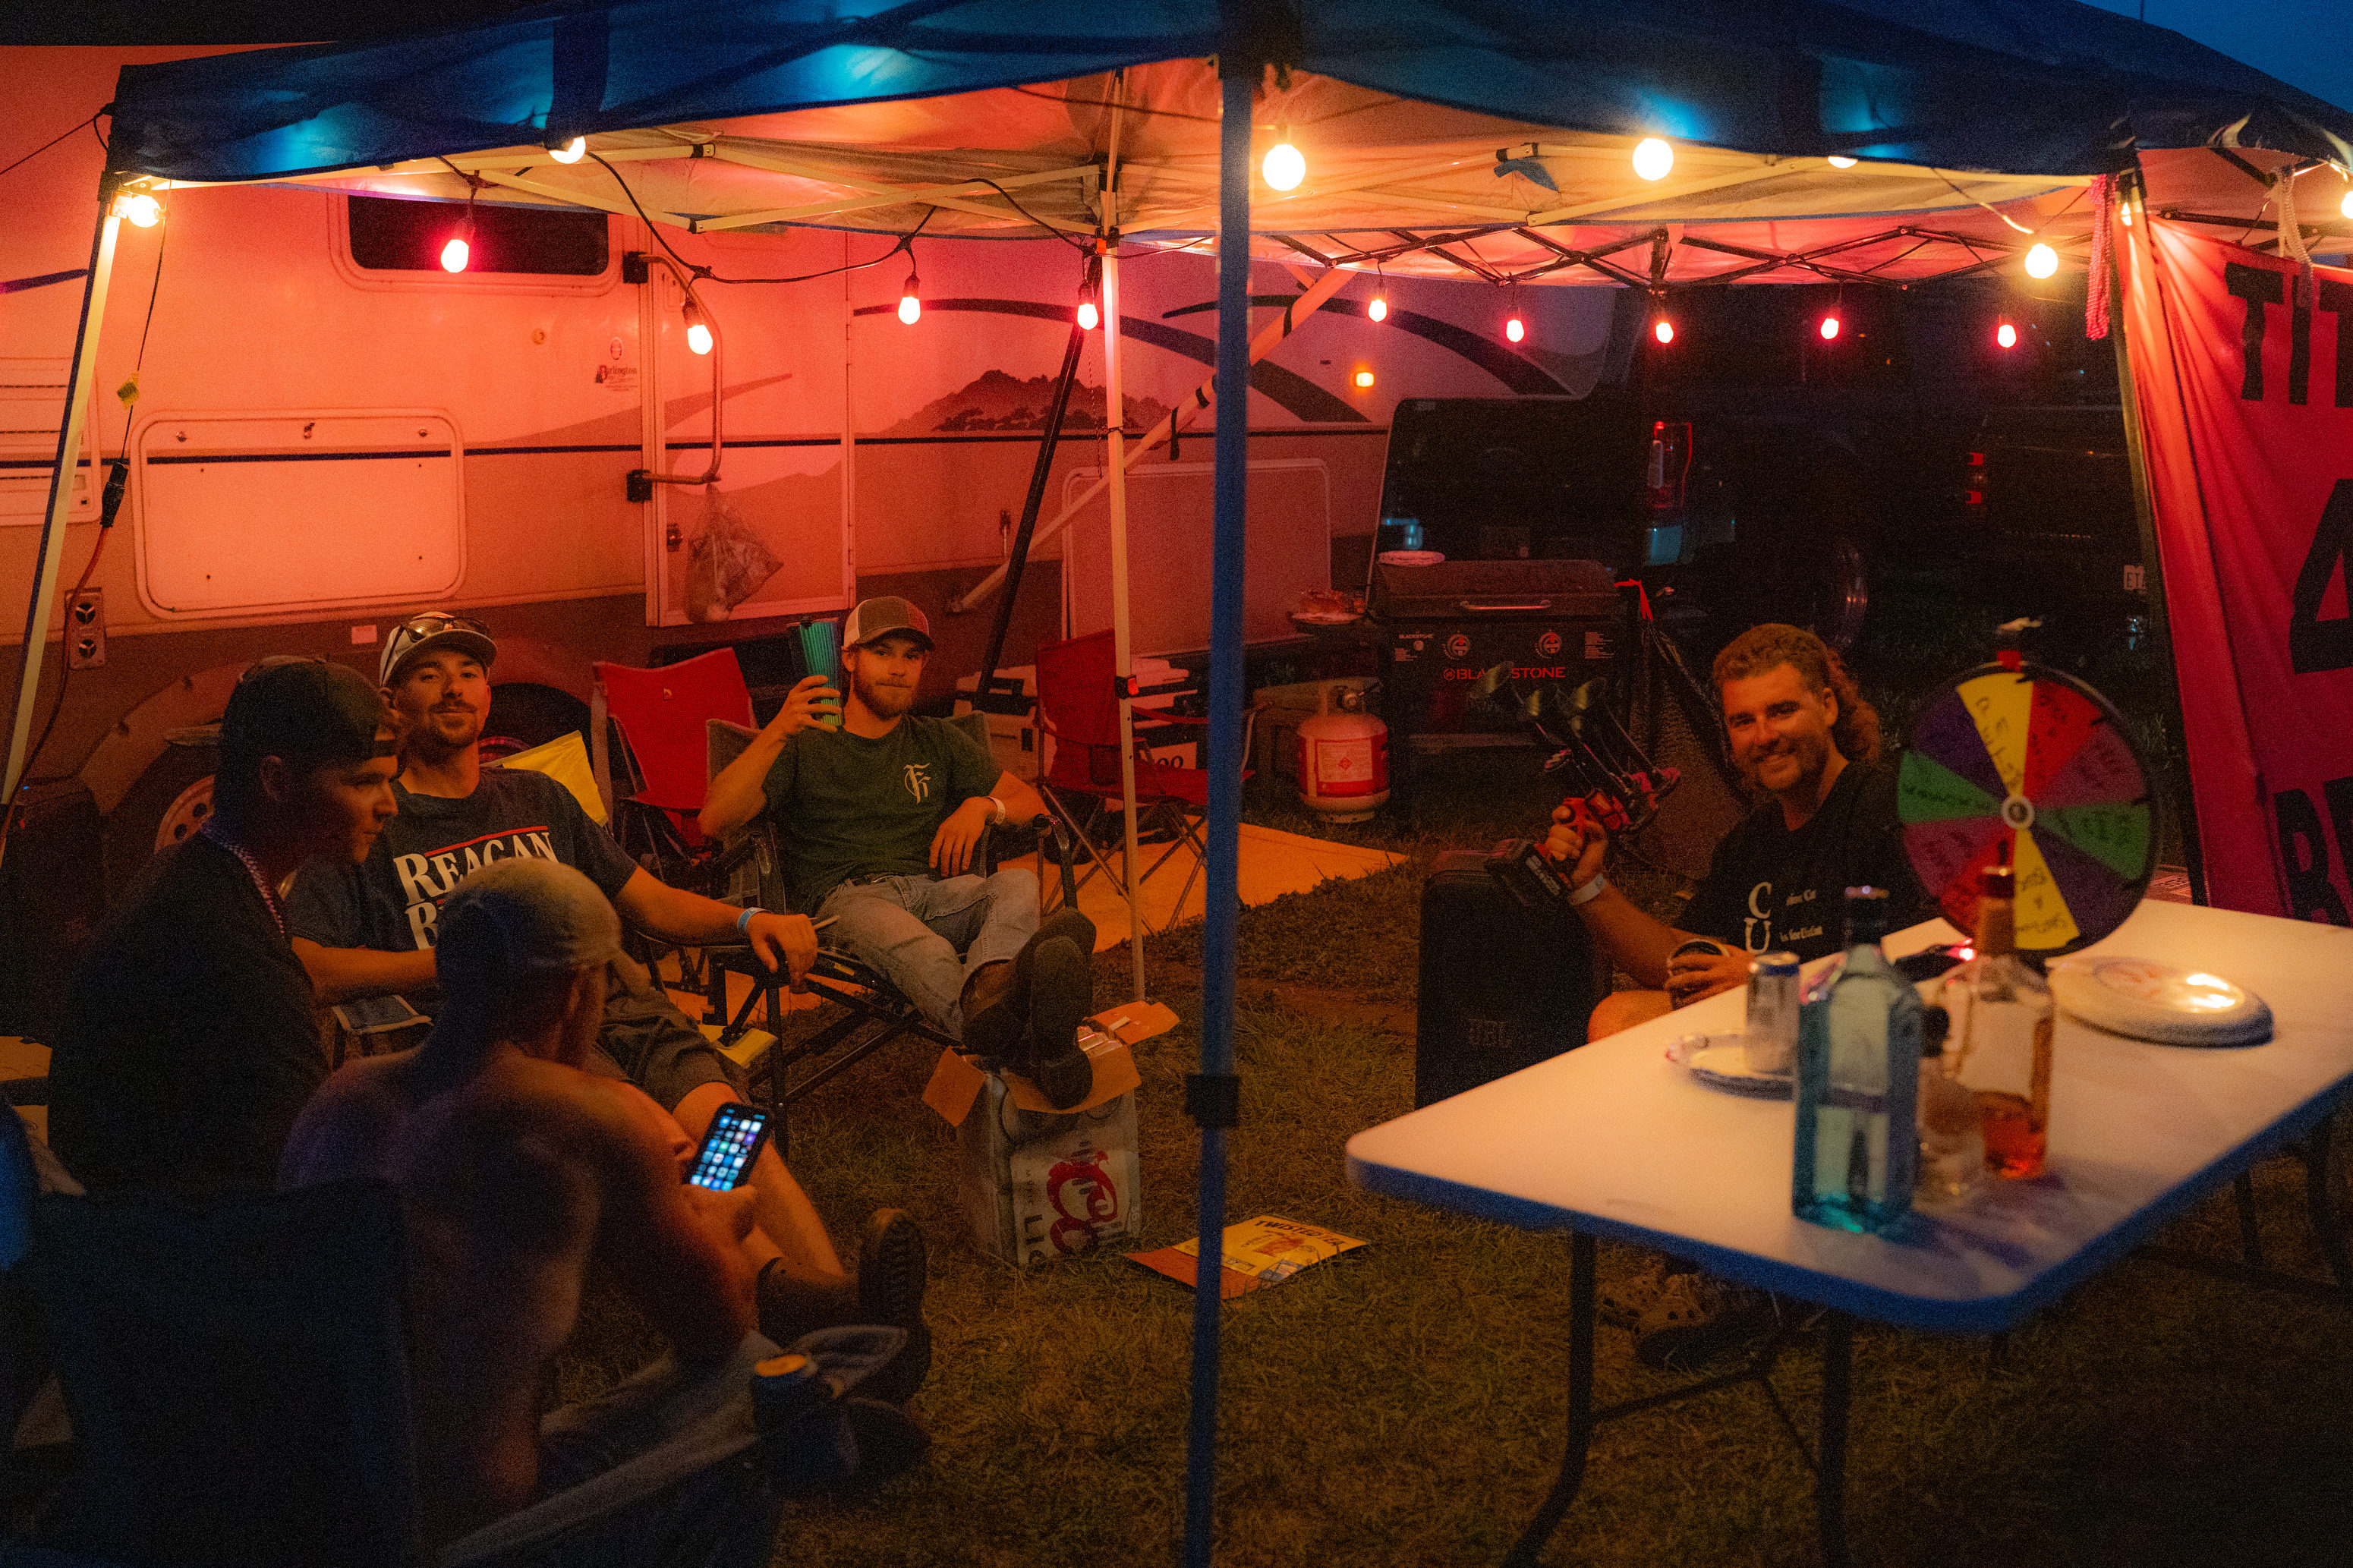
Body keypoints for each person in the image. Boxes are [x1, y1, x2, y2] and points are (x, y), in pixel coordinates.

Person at [285, 612, 911, 1361]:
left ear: (488, 692)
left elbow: (652, 903)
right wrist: (465, 963)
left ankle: (842, 1306)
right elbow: (309, 965)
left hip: (615, 1002)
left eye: (468, 672)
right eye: (428, 674)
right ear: (394, 702)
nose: (453, 688)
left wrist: (748, 919)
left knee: (730, 1124)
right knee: (658, 1143)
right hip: (516, 1039)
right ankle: (782, 1300)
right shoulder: (376, 816)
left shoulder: (539, 799)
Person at [279, 859, 903, 1557]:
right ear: (575, 990)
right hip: (487, 1537)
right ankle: (830, 1443)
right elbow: (717, 1329)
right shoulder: (585, 1119)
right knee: (748, 1372)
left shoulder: (337, 1101)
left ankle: (838, 1425)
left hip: (321, 1522)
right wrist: (718, 1226)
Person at [700, 597, 1098, 1108]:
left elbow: (1030, 803)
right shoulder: (803, 742)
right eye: (883, 652)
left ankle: (997, 993)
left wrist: (983, 805)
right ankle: (1032, 1037)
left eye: (912, 656)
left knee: (1017, 884)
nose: (898, 668)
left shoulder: (937, 740)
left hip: (935, 891)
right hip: (849, 903)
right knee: (925, 950)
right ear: (849, 659)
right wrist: (777, 729)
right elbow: (714, 820)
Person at [48, 657, 398, 1195]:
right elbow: (307, 1156)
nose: (389, 806)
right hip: (166, 1227)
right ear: (276, 780)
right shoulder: (224, 936)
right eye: (364, 782)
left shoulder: (204, 869)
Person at [1545, 621, 1926, 1042]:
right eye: (1743, 721)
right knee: (1618, 1016)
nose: (1764, 736)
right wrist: (1588, 886)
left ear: (1828, 707)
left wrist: (1773, 979)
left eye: (1781, 712)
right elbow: (1679, 959)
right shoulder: (1749, 843)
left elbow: (1932, 958)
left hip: (1863, 1041)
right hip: (1773, 1029)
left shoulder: (1890, 811)